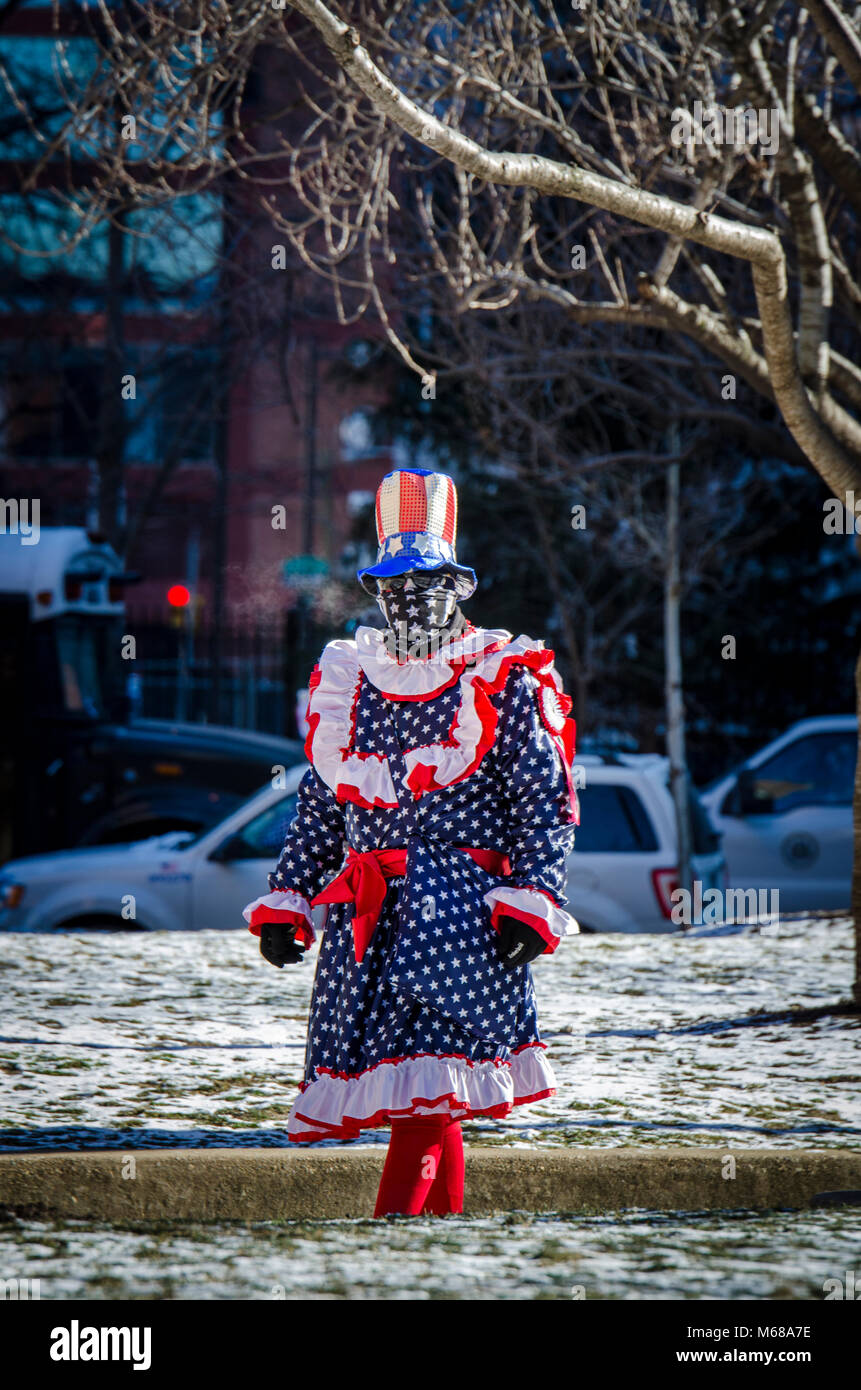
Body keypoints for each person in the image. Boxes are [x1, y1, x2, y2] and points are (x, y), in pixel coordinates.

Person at [243, 467, 579, 1216]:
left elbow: (544, 799)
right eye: (391, 586)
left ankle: (397, 1230)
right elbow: (323, 805)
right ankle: (429, 1239)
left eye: (423, 582)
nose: (406, 599)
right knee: (424, 1097)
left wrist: (532, 899)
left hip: (459, 914)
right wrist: (289, 899)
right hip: (370, 925)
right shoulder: (352, 680)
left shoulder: (502, 675)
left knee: (430, 1095)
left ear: (457, 586)